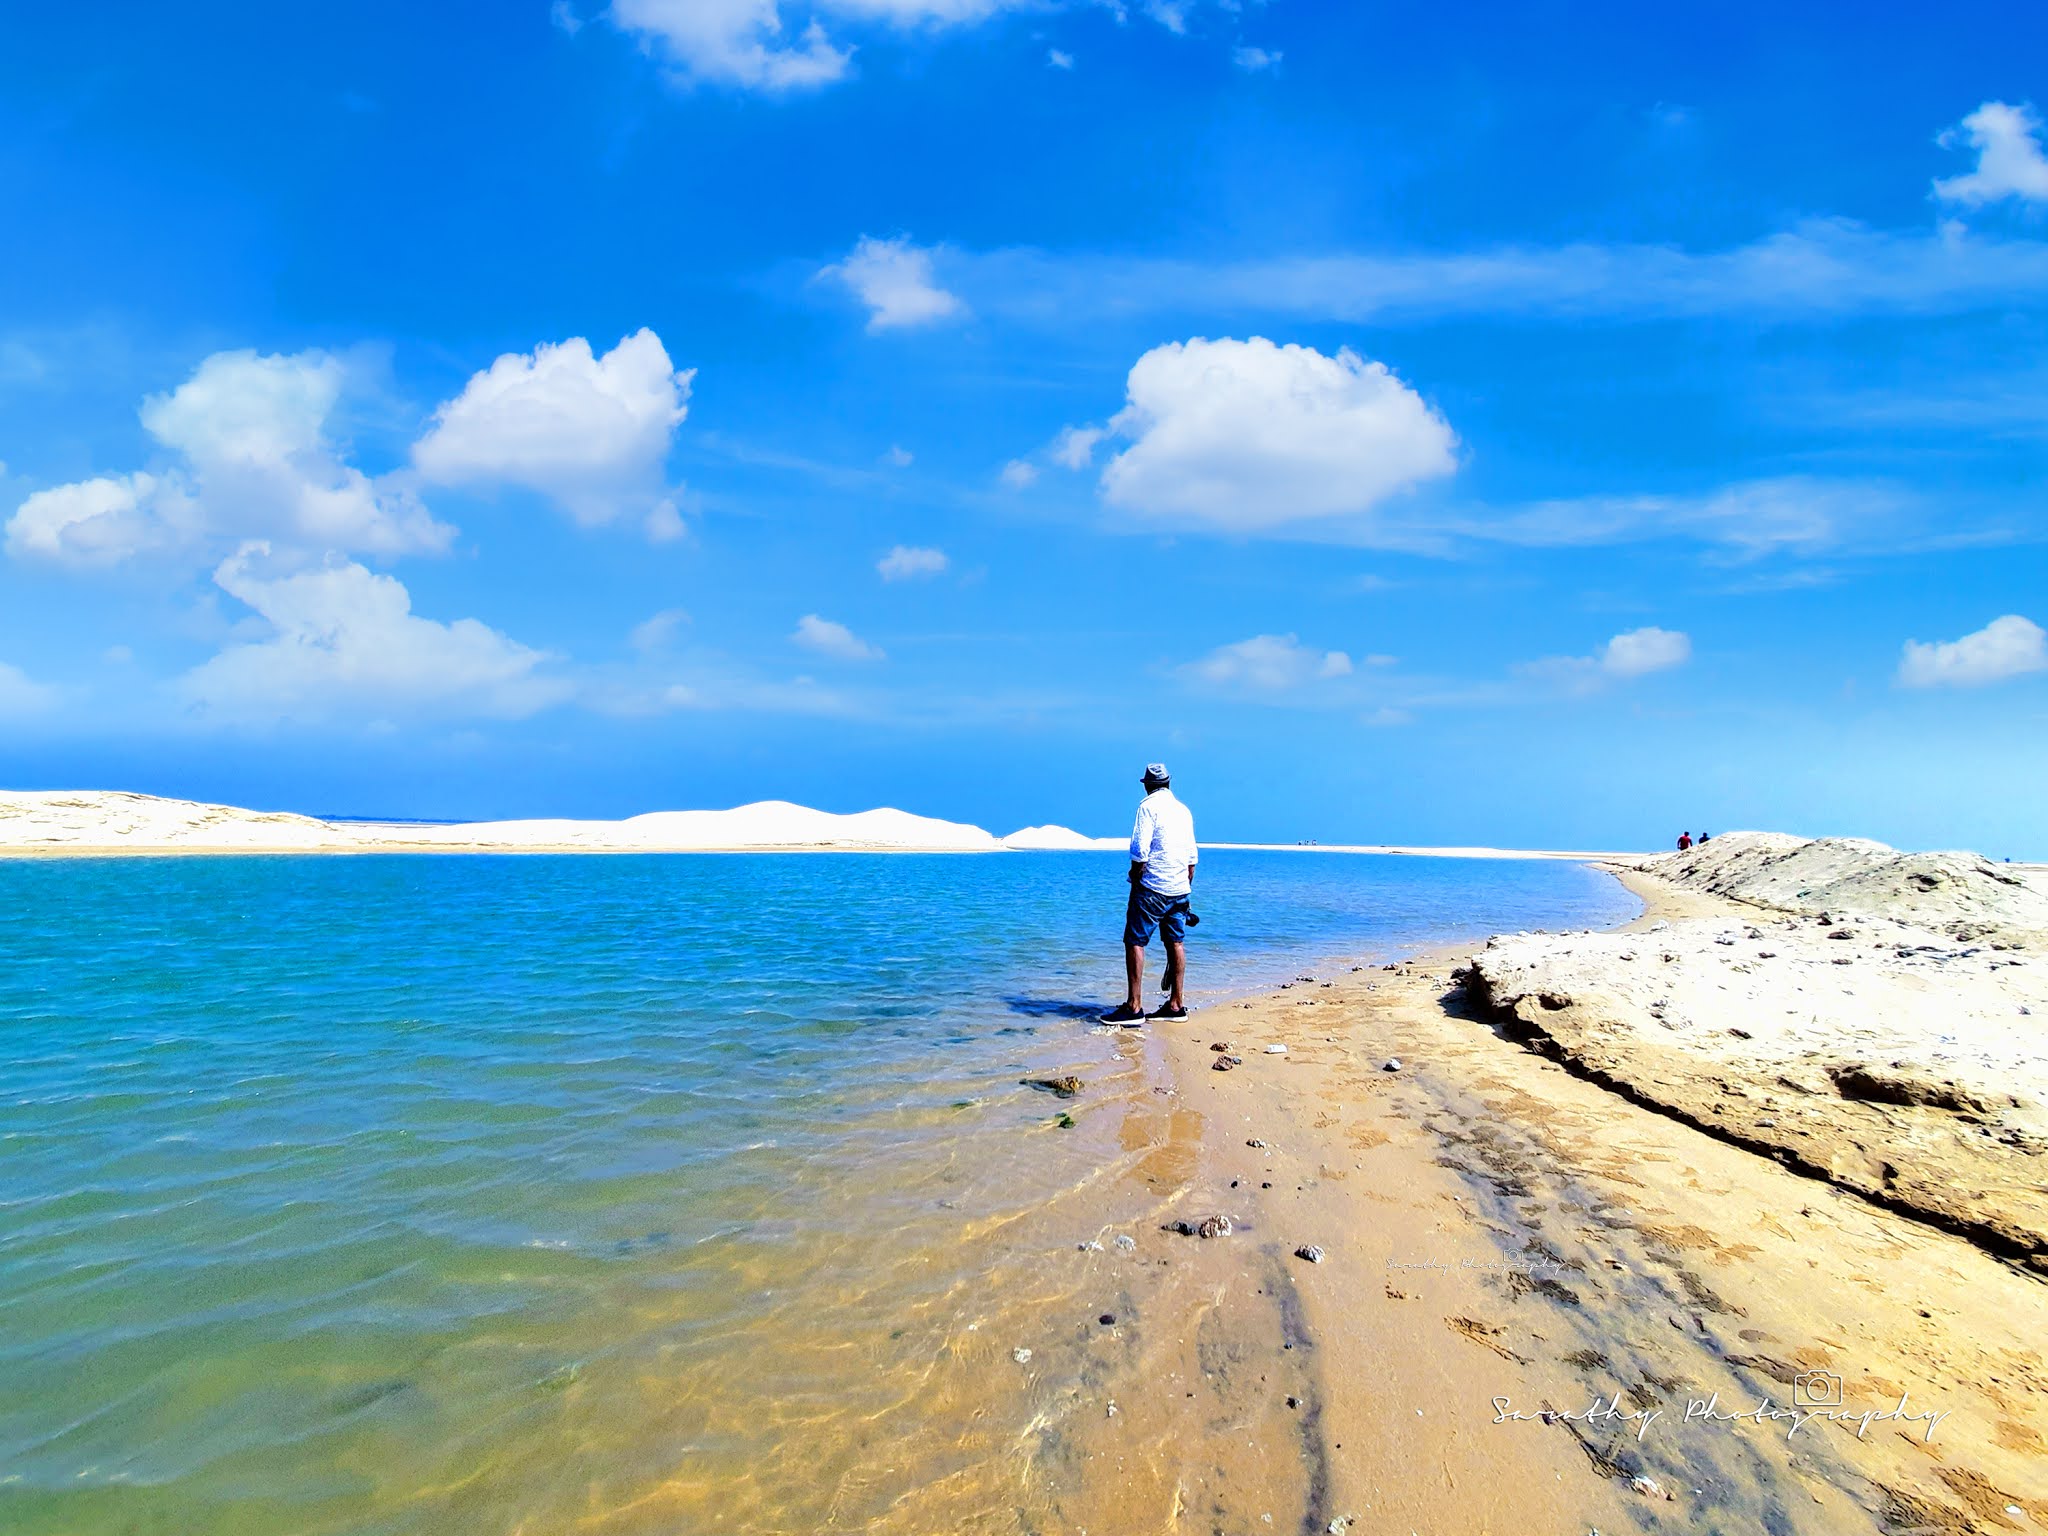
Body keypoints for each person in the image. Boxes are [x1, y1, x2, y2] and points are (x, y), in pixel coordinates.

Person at [1102, 763, 1197, 1023]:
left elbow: (1140, 850)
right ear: (1168, 783)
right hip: (1180, 888)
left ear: (1146, 785)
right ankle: (1176, 1005)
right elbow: (1191, 858)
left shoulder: (1147, 807)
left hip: (1153, 887)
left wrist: (1135, 877)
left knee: (1135, 941)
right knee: (1176, 943)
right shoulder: (1183, 810)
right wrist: (1184, 884)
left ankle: (1134, 1007)